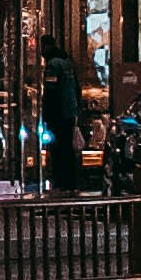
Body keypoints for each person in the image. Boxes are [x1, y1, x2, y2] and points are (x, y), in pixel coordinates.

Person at [35, 37, 87, 187]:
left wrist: (46, 114)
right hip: (69, 113)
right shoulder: (68, 63)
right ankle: (71, 180)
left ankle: (60, 180)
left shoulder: (53, 65)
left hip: (58, 114)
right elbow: (77, 88)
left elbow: (51, 92)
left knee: (57, 148)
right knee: (68, 148)